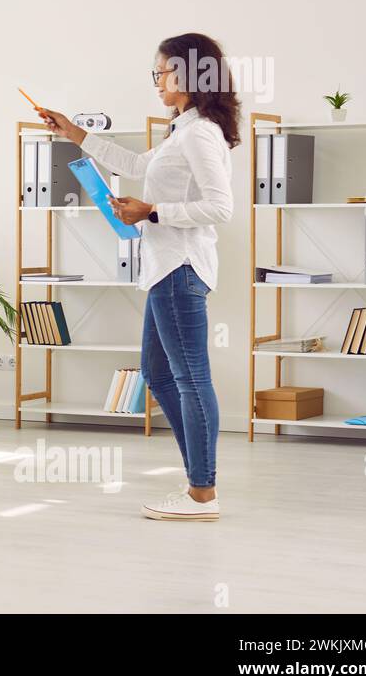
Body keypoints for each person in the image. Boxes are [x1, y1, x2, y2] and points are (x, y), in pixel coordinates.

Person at [38, 32, 237, 521]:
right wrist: (74, 133)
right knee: (158, 374)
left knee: (190, 379)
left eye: (162, 72)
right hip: (165, 272)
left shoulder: (200, 133)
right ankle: (198, 481)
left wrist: (151, 213)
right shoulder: (181, 130)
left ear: (190, 75)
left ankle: (203, 493)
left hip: (180, 269)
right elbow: (134, 164)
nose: (157, 82)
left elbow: (221, 207)